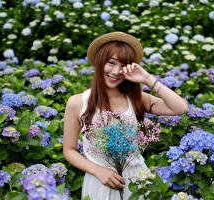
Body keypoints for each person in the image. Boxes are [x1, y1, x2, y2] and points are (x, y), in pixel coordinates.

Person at [63, 32, 188, 200]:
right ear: (100, 62)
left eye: (122, 65)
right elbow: (69, 150)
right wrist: (98, 170)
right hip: (99, 182)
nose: (115, 71)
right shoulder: (77, 102)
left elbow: (180, 108)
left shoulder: (137, 98)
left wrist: (146, 78)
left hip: (137, 181)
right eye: (111, 63)